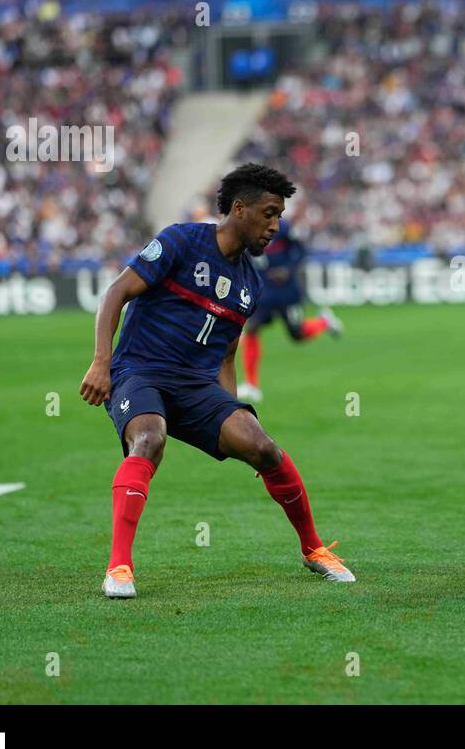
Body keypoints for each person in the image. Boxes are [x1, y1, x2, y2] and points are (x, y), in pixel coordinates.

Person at [78, 163, 355, 599]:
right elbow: (116, 292)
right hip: (138, 370)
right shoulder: (181, 240)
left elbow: (226, 352)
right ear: (239, 210)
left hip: (195, 384)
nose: (275, 226)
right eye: (269, 213)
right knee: (150, 439)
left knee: (263, 446)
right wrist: (100, 362)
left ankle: (313, 548)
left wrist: (228, 413)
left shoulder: (250, 283)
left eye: (280, 216)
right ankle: (119, 567)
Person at [237, 220, 342, 404]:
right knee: (252, 328)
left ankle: (324, 322)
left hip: (288, 293)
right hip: (264, 292)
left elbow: (300, 250)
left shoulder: (283, 227)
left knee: (297, 334)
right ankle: (252, 384)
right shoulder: (248, 227)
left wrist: (287, 270)